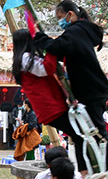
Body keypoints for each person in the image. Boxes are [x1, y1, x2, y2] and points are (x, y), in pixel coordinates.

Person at [31, 0, 108, 170]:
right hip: (90, 88)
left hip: (91, 89)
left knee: (97, 130)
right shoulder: (82, 32)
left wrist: (38, 37)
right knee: (83, 133)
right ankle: (87, 170)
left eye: (60, 17)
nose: (60, 22)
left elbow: (57, 47)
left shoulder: (76, 30)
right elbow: (66, 53)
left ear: (70, 15)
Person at [11, 28, 81, 163]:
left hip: (54, 106)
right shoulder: (25, 60)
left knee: (79, 134)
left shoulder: (25, 59)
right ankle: (83, 170)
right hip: (51, 108)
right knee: (79, 135)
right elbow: (47, 68)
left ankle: (81, 170)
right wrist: (51, 48)